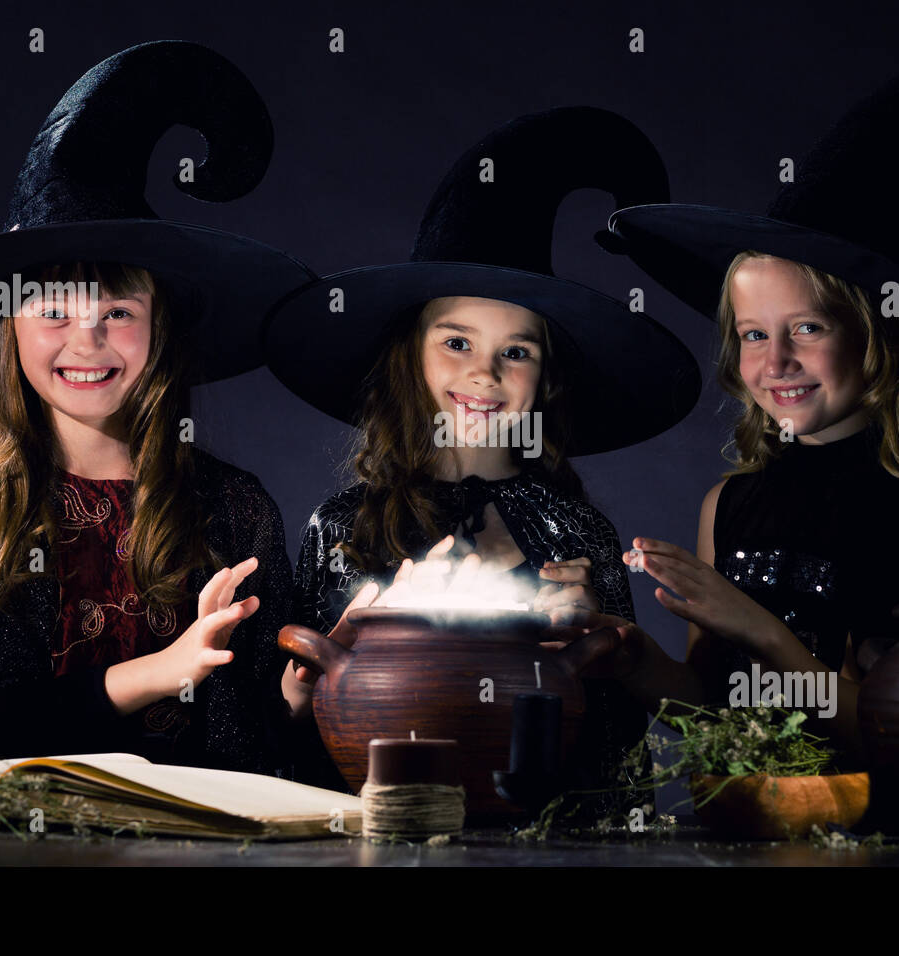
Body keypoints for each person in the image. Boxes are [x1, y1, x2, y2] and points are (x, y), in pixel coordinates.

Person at [585, 52, 899, 764]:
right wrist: (635, 661)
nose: (776, 362)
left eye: (808, 328)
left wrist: (763, 632)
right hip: (744, 829)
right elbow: (712, 712)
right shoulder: (726, 506)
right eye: (753, 335)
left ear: (886, 336)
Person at [0, 42, 315, 772]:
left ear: (158, 328)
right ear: (8, 327)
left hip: (192, 839)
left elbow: (257, 732)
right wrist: (166, 668)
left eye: (117, 311)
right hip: (24, 833)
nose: (89, 341)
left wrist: (302, 694)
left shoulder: (236, 508)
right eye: (52, 310)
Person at [263, 107, 700, 807]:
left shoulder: (579, 535)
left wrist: (591, 645)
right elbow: (286, 735)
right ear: (410, 354)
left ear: (547, 378)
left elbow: (618, 752)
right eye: (457, 342)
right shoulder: (341, 528)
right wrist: (297, 693)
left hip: (541, 842)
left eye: (516, 352)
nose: (485, 375)